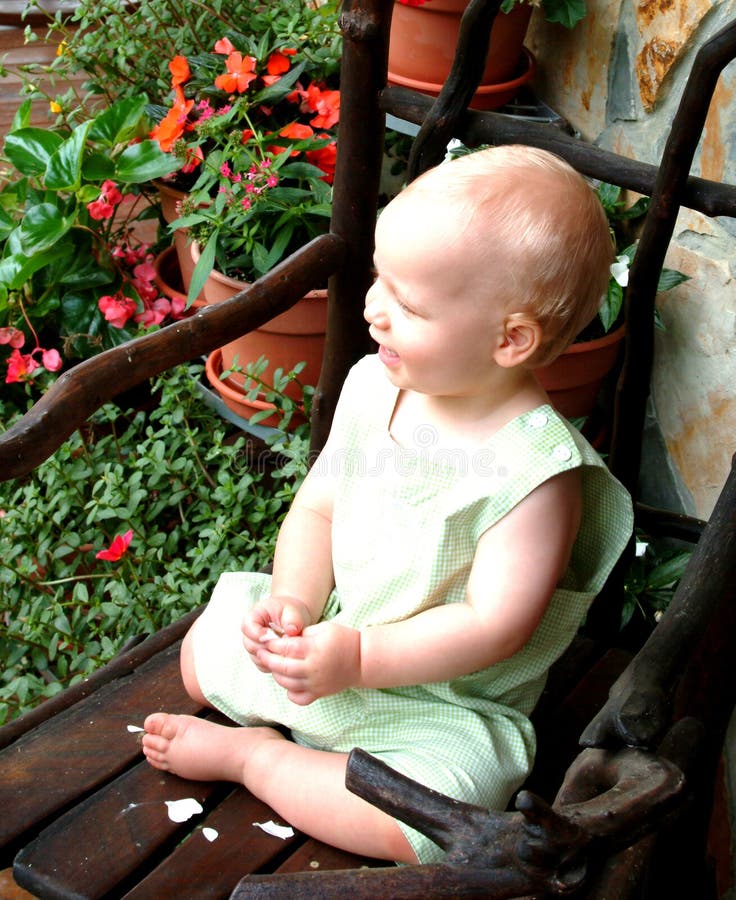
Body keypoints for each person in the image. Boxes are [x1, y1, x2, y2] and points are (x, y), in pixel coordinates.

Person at [142, 145, 633, 866]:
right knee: (200, 655)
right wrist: (295, 603)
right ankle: (303, 732)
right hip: (336, 644)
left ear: (511, 338)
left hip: (440, 707)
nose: (374, 309)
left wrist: (363, 658)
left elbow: (492, 626)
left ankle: (259, 762)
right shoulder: (379, 386)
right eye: (380, 279)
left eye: (408, 303)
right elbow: (318, 509)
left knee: (440, 818)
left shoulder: (538, 473)